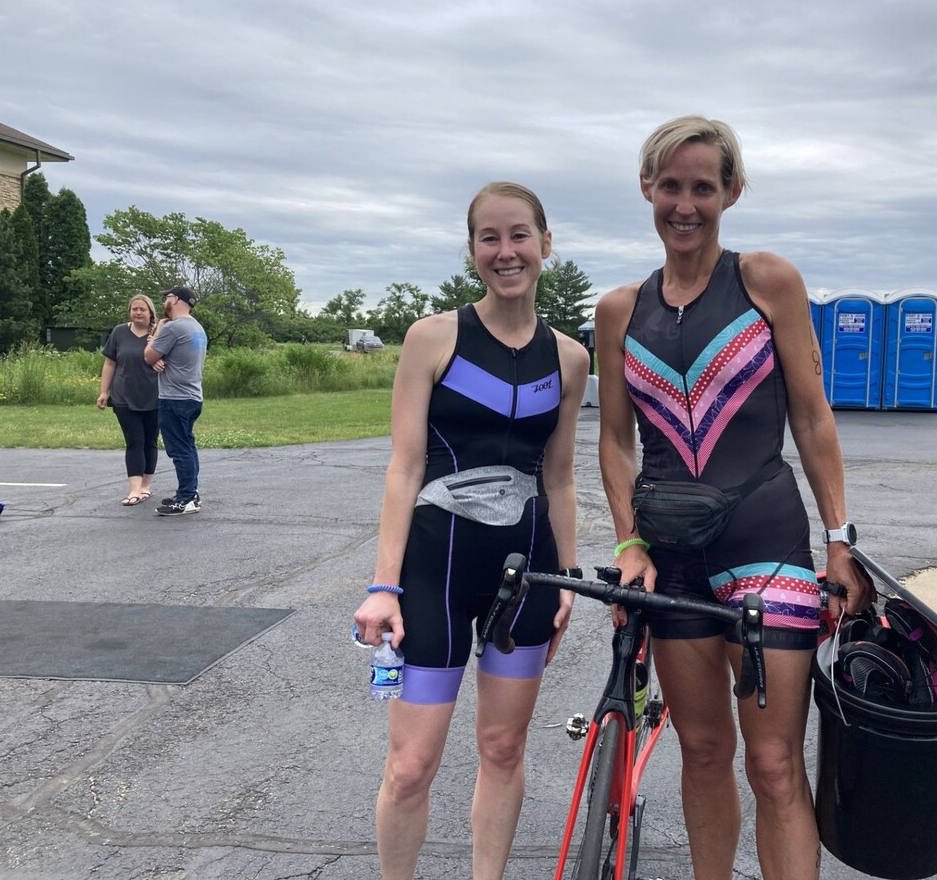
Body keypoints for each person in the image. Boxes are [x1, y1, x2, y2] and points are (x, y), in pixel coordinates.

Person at [595, 116, 873, 880]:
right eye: (671, 186)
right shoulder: (619, 311)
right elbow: (615, 441)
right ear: (648, 189)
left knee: (776, 763)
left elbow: (812, 417)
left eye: (704, 188)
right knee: (704, 751)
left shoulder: (767, 282)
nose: (686, 205)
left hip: (767, 544)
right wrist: (628, 544)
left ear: (732, 192)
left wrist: (840, 540)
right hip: (672, 555)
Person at [351, 182, 590, 880]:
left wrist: (568, 574)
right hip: (435, 574)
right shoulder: (434, 338)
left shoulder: (570, 359)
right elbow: (405, 467)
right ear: (472, 250)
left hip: (529, 576)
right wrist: (383, 585)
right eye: (490, 237)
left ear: (546, 245)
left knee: (503, 748)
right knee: (411, 765)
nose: (505, 251)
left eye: (520, 235)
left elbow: (560, 477)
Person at [144, 286, 207, 516]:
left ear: (177, 300)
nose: (164, 301)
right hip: (192, 396)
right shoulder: (195, 326)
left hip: (175, 397)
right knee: (188, 447)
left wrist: (159, 328)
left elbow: (149, 354)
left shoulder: (174, 327)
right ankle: (191, 492)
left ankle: (186, 498)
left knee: (179, 450)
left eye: (167, 297)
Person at [97, 294, 160, 505]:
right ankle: (134, 490)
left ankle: (146, 486)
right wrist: (104, 392)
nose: (138, 313)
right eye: (135, 309)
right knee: (134, 441)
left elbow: (172, 359)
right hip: (124, 396)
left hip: (154, 396)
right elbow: (110, 363)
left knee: (149, 442)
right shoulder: (119, 332)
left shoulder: (160, 332)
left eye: (142, 309)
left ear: (150, 312)